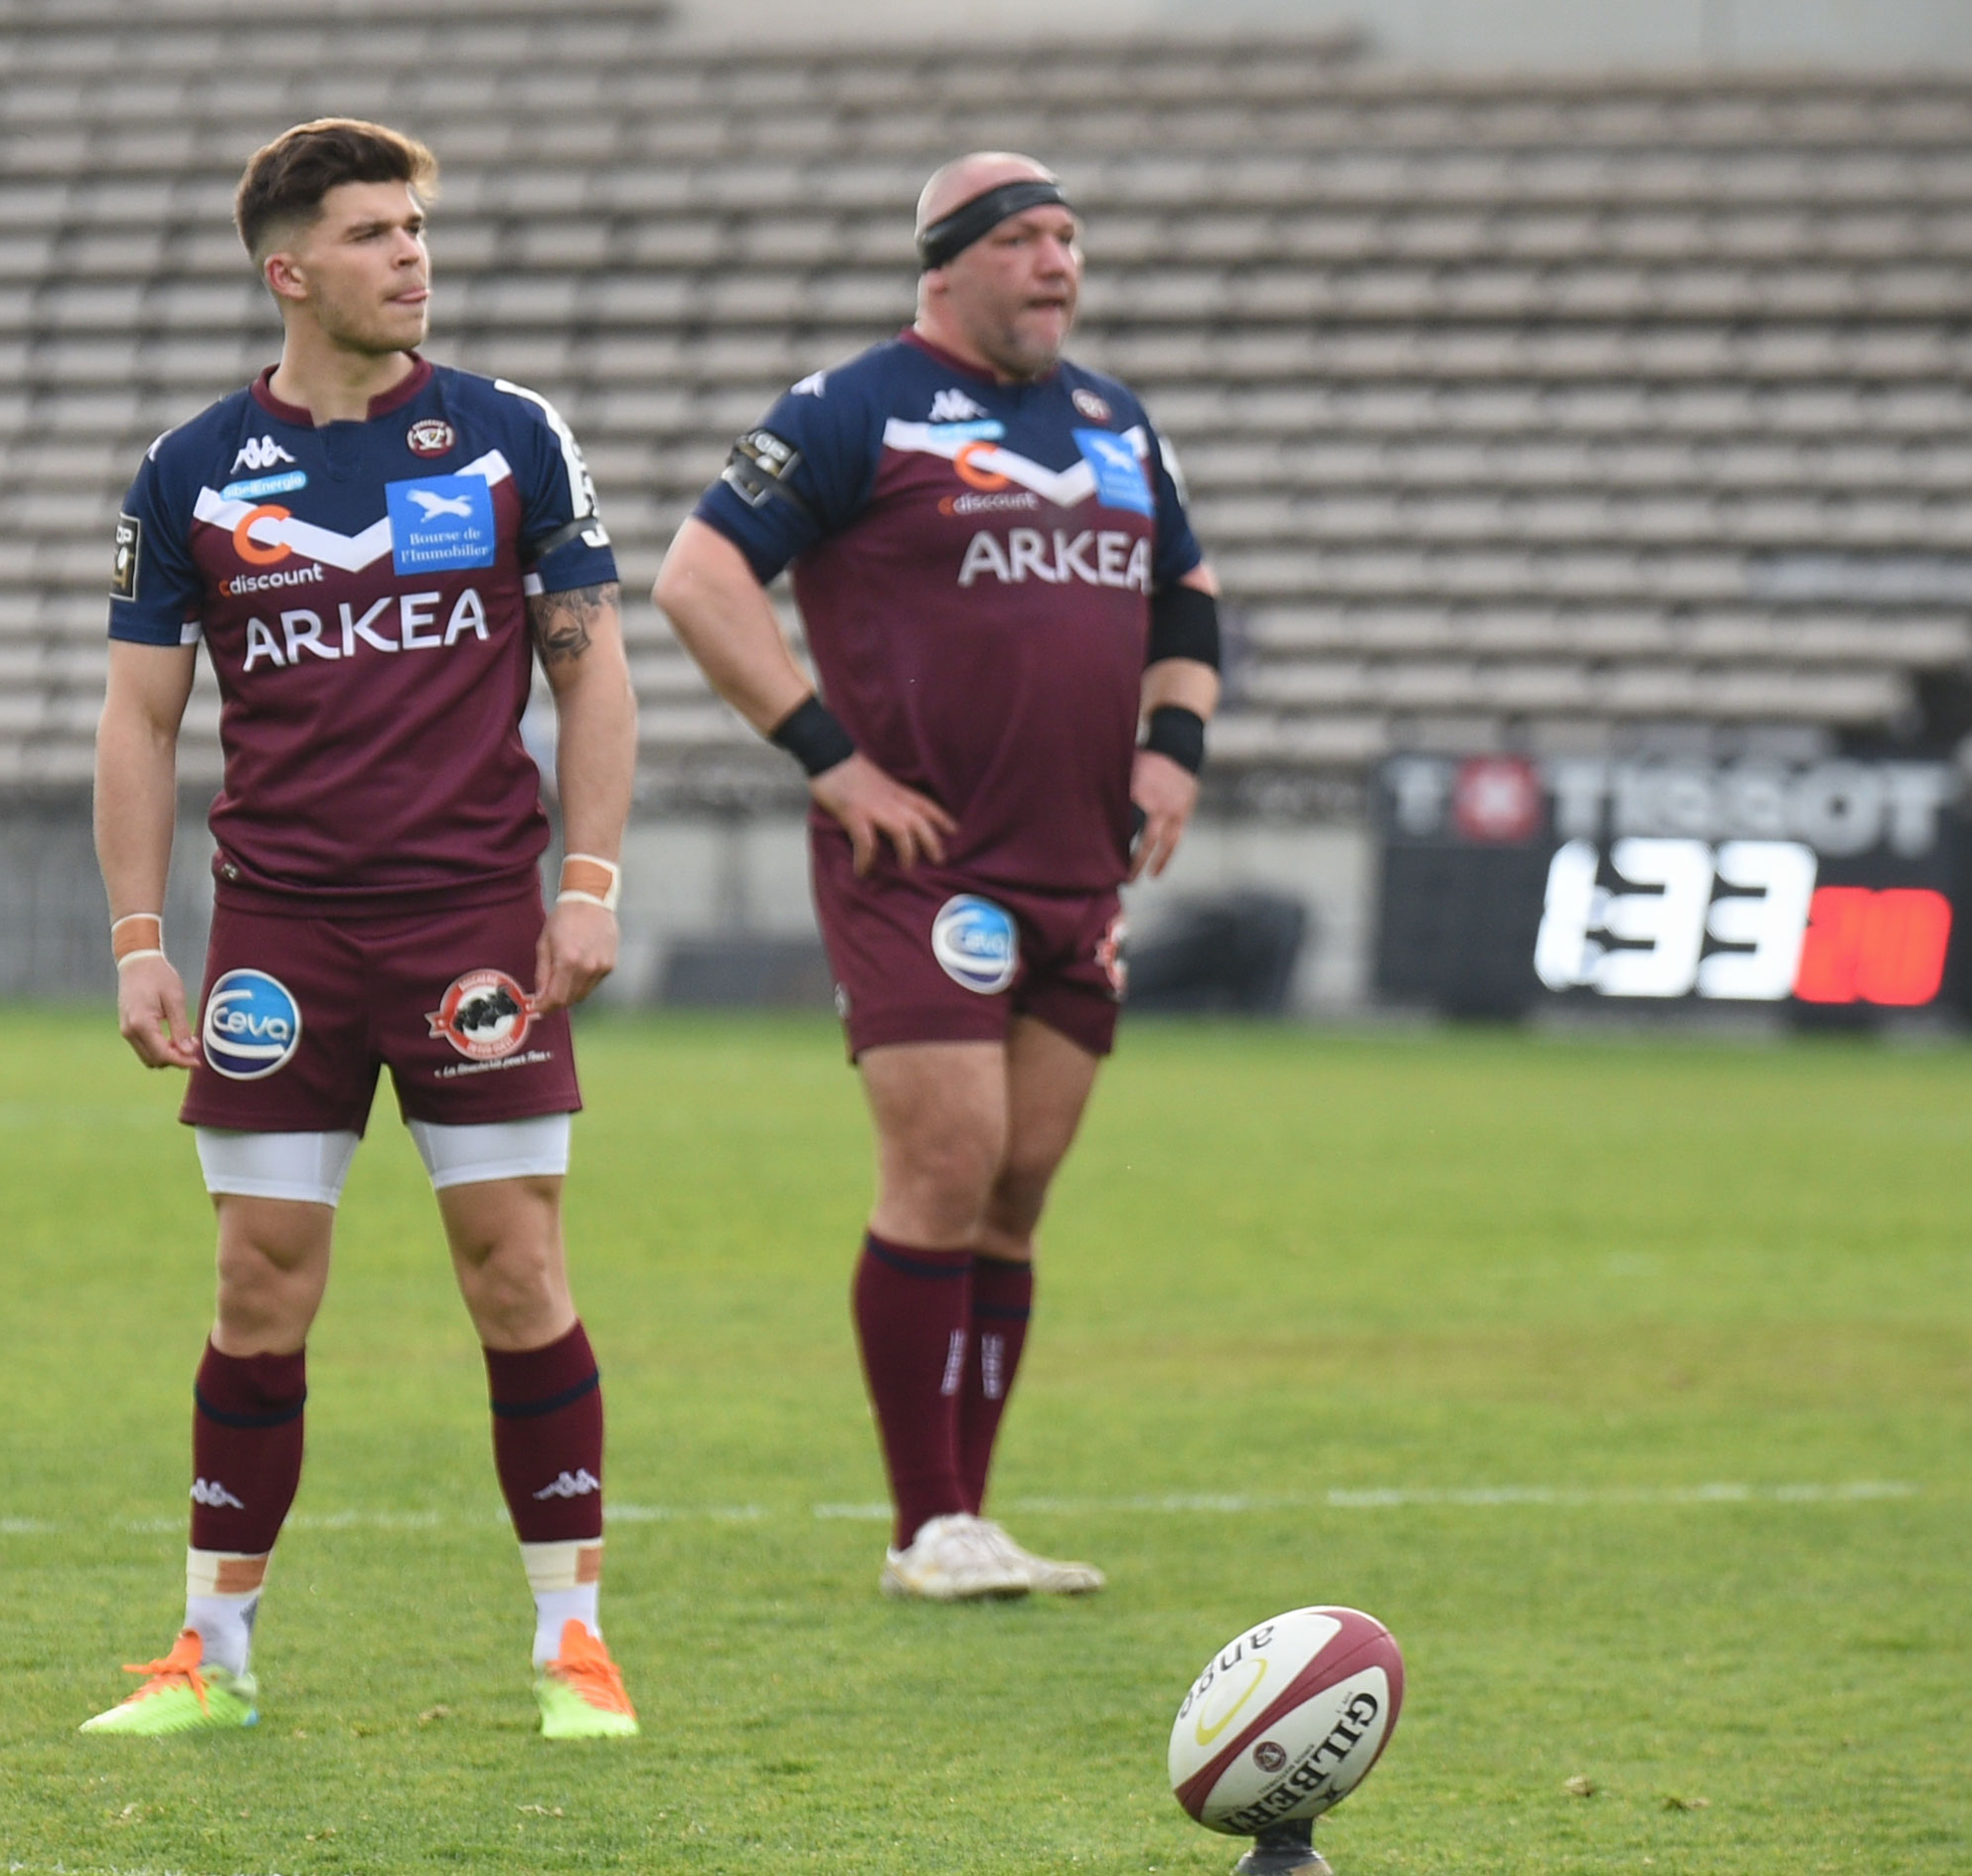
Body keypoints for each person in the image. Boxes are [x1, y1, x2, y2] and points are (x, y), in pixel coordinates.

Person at [651, 147, 1267, 1851]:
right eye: (1029, 240)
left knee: (1016, 1184)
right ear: (952, 266)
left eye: (1074, 236)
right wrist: (832, 763)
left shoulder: (1120, 422)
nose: (1062, 263)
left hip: (1079, 865)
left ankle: (974, 1516)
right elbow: (701, 580)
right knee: (943, 1163)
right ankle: (927, 1522)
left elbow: (1190, 596)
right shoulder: (857, 408)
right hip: (922, 861)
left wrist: (1173, 752)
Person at [84, 117, 642, 1744]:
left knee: (516, 1268)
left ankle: (573, 1643)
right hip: (278, 937)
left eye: (417, 227)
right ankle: (211, 1654)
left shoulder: (507, 437)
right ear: (290, 270)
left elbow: (590, 663)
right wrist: (138, 929)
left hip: (475, 919)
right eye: (374, 233)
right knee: (259, 1281)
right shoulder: (190, 470)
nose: (411, 254)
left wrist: (587, 883)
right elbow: (138, 716)